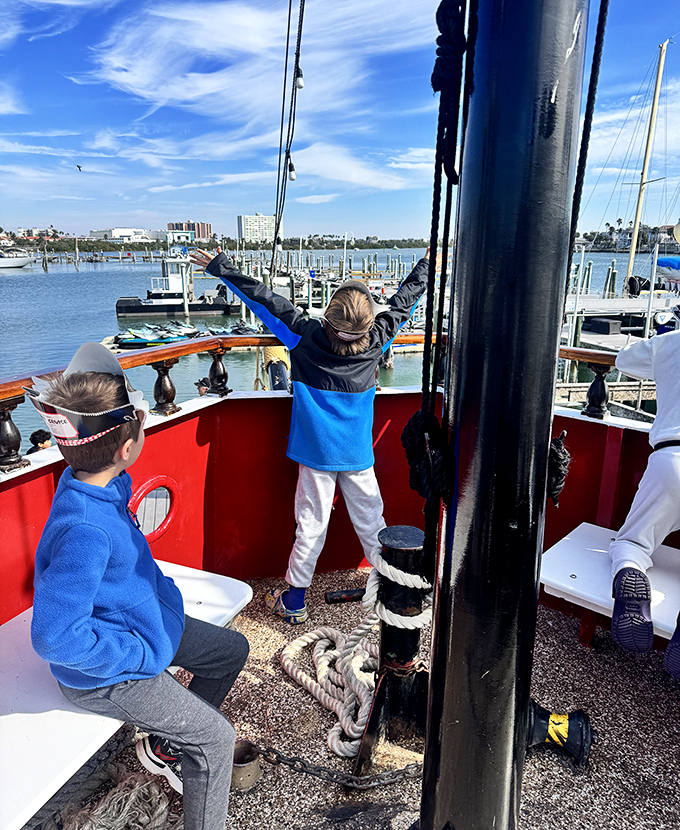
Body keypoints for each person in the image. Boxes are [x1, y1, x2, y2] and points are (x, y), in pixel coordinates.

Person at [25, 342, 249, 830]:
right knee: (216, 738)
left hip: (149, 626)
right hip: (109, 673)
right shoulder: (84, 526)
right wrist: (134, 656)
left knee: (231, 650)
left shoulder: (94, 479)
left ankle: (166, 747)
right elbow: (54, 637)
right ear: (126, 449)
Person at [190, 246, 437, 624]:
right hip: (357, 456)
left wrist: (221, 267)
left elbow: (264, 300)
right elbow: (404, 302)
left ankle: (295, 601)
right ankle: (392, 587)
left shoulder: (304, 339)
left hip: (316, 458)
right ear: (369, 325)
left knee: (310, 526)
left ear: (327, 319)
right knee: (374, 523)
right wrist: (426, 265)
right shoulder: (376, 343)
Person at [608, 329, 680, 679]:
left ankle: (631, 575)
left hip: (670, 459)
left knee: (632, 543)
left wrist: (661, 341)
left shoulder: (672, 340)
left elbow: (623, 360)